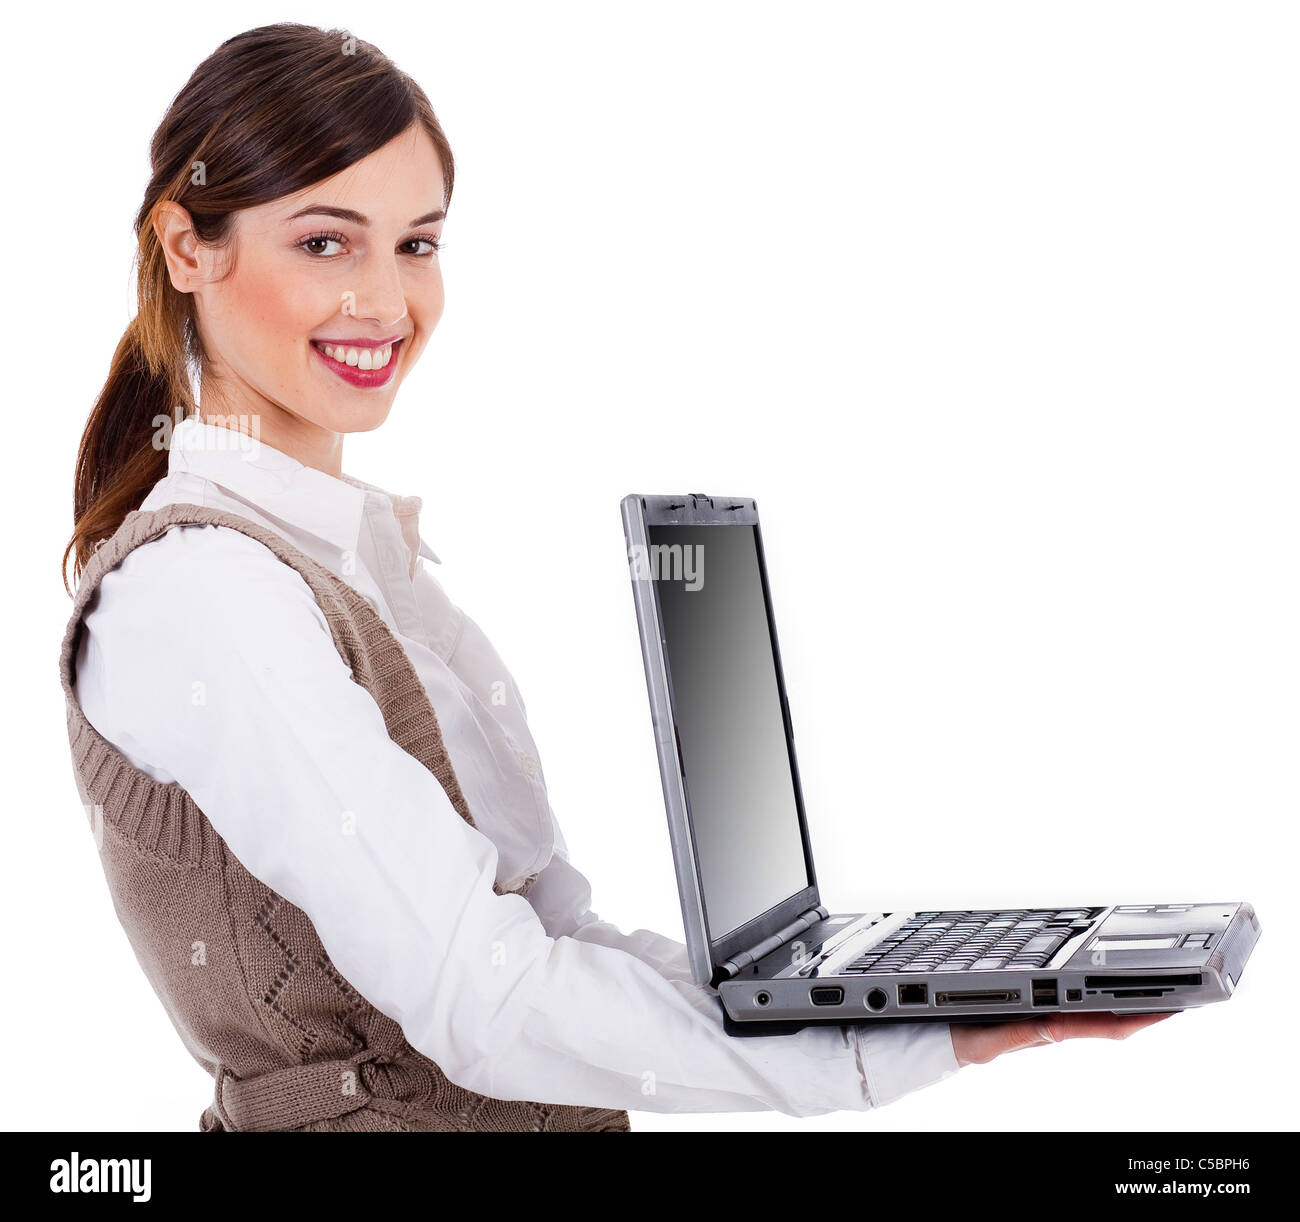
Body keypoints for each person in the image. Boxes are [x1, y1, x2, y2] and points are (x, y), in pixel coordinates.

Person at [60, 22, 1170, 1131]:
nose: (388, 303)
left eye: (418, 244)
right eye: (324, 243)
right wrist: (893, 1046)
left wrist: (901, 1009)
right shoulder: (203, 593)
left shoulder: (358, 562)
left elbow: (547, 944)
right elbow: (481, 999)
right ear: (186, 246)